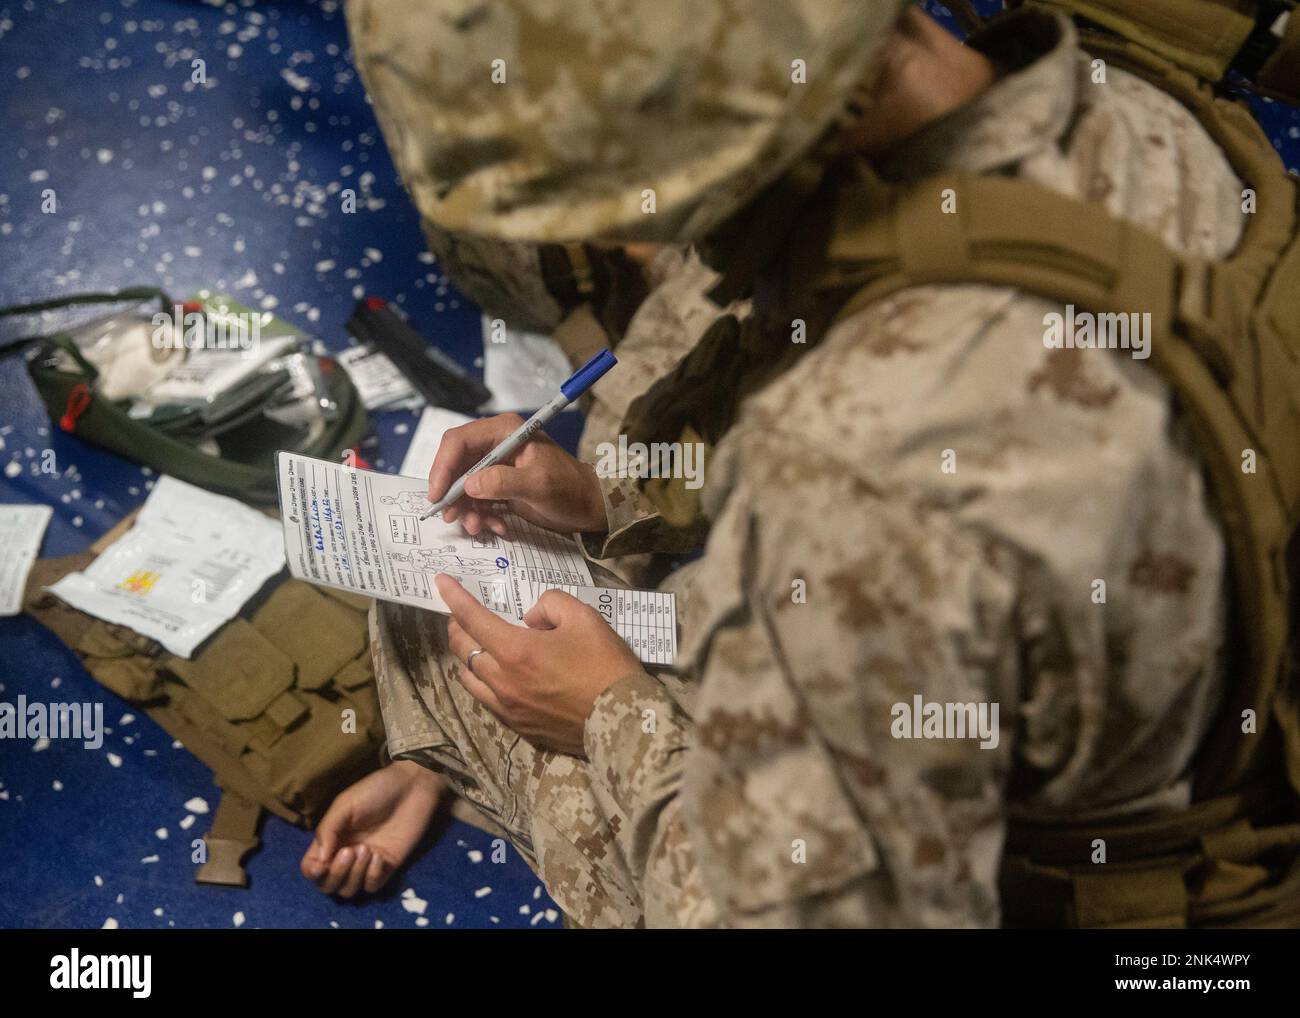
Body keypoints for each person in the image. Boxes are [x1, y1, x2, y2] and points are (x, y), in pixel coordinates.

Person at [302, 1, 1297, 926]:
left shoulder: (853, 473)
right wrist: (612, 491)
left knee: (451, 642)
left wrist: (607, 718)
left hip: (1150, 890)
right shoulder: (1125, 74)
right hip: (1217, 658)